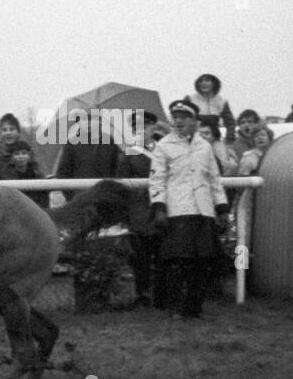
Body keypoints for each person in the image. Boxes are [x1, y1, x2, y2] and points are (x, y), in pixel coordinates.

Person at [149, 99, 228, 320]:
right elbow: (157, 180)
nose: (179, 121)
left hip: (203, 211)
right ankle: (174, 307)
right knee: (178, 262)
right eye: (176, 117)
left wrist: (222, 209)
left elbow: (214, 179)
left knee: (202, 262)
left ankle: (194, 308)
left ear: (195, 120)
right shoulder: (164, 145)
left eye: (184, 117)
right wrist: (159, 208)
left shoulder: (205, 146)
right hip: (178, 211)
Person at [115, 113, 166, 308]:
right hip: (139, 213)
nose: (141, 130)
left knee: (163, 255)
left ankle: (163, 295)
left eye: (145, 125)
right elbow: (123, 186)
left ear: (154, 128)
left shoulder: (164, 150)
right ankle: (142, 295)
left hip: (162, 209)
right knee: (140, 258)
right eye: (136, 126)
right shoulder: (129, 154)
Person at [54, 104, 121, 200]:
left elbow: (117, 170)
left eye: (92, 119)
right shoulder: (72, 144)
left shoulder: (109, 142)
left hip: (105, 199)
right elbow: (63, 173)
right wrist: (73, 197)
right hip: (80, 200)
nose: (88, 123)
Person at [186, 73, 235, 143]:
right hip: (193, 140)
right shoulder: (190, 99)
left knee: (223, 153)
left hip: (214, 140)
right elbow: (182, 120)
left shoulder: (222, 101)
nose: (203, 83)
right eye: (200, 81)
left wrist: (229, 141)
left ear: (214, 83)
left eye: (207, 80)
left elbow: (230, 123)